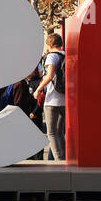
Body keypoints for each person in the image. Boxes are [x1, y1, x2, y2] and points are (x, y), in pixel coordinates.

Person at [33, 33, 66, 161]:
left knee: (52, 132)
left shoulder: (52, 56)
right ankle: (63, 157)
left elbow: (49, 75)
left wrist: (38, 90)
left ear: (50, 44)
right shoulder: (65, 55)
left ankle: (59, 160)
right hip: (65, 99)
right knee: (60, 132)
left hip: (52, 99)